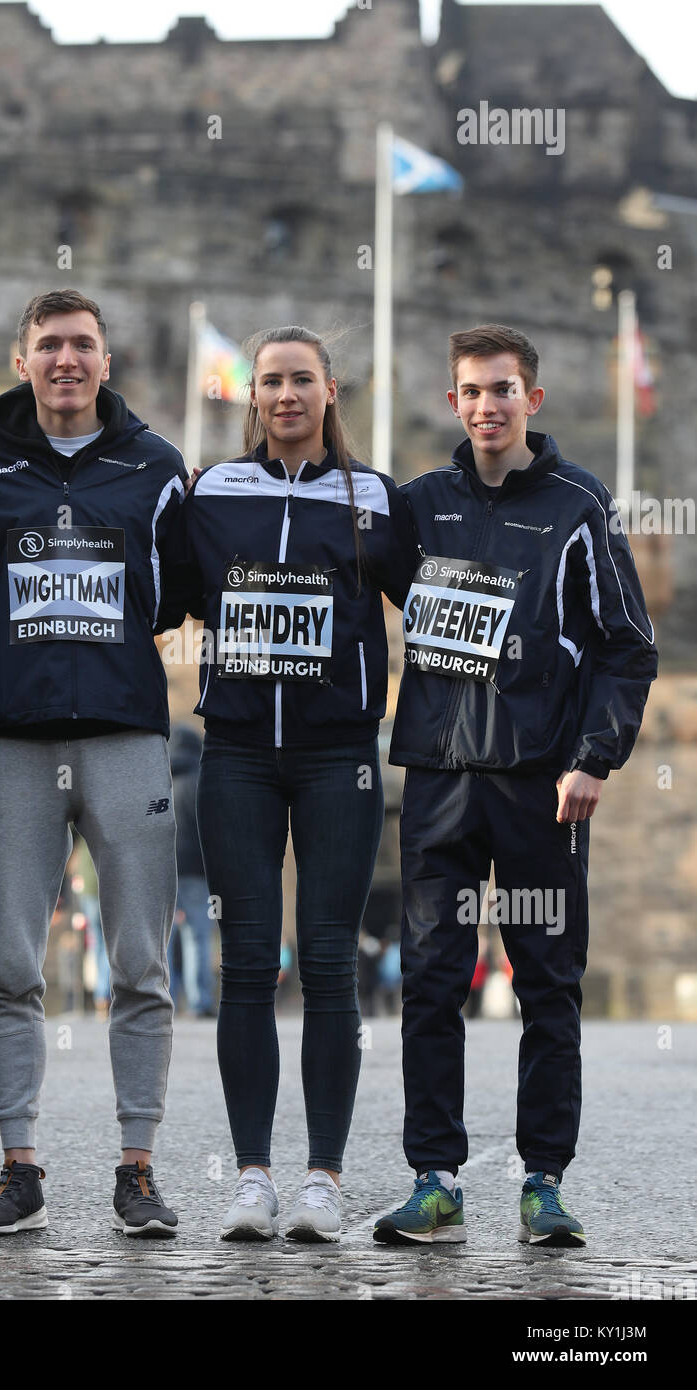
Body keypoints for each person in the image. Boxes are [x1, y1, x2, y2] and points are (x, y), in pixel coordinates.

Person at [375, 324, 657, 1247]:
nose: (487, 405)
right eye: (470, 390)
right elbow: (335, 573)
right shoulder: (418, 506)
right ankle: (435, 1180)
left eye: (503, 390)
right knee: (431, 984)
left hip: (542, 791)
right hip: (441, 787)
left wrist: (595, 757)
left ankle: (543, 1183)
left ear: (531, 400)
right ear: (451, 402)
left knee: (546, 986)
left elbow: (626, 647)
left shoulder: (580, 504)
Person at [162, 326, 417, 1241]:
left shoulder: (377, 500)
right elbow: (164, 597)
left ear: (330, 390)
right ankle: (253, 1177)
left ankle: (322, 1179)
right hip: (234, 756)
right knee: (244, 967)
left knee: (329, 963)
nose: (285, 396)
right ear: (252, 396)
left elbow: (433, 609)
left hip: (336, 757)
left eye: (302, 380)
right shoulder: (210, 493)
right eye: (270, 381)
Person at [0, 289, 186, 1238]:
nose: (66, 360)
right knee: (11, 965)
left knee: (142, 962)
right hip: (9, 741)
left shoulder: (157, 464)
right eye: (48, 345)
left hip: (126, 735)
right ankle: (20, 1168)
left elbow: (174, 596)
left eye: (82, 345)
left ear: (106, 360)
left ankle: (138, 1170)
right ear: (22, 361)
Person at [167, 722, 216, 1017]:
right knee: (197, 936)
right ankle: (200, 1002)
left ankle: (165, 1000)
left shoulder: (159, 781)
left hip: (163, 870)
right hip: (197, 871)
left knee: (163, 940)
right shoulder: (202, 781)